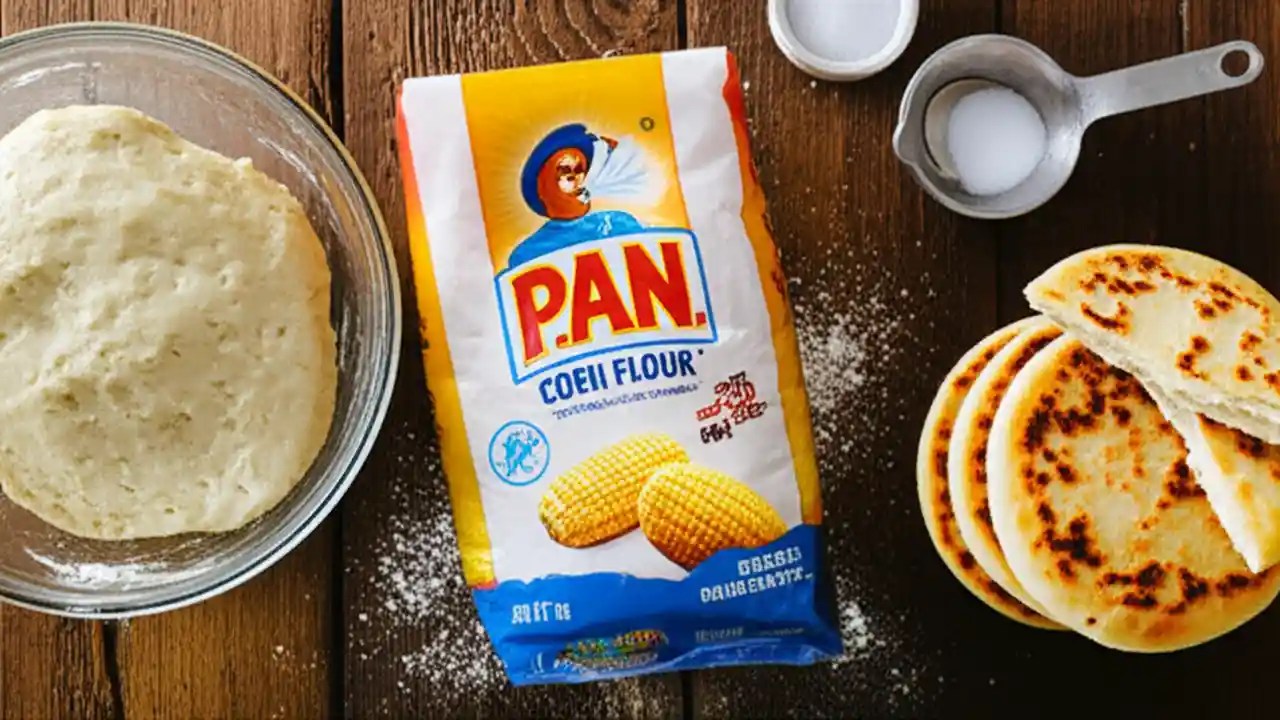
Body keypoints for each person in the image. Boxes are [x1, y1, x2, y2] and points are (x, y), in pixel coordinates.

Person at [507, 123, 644, 268]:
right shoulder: (528, 253)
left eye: (580, 169)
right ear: (544, 186)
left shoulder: (618, 223)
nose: (576, 178)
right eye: (565, 171)